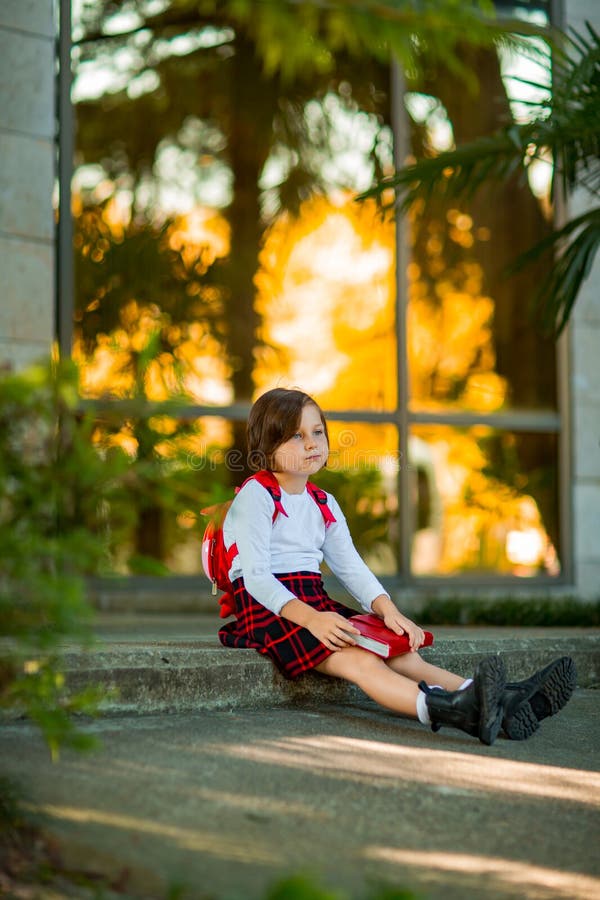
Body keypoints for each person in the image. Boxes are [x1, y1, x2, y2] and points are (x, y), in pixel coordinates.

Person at [219, 388, 576, 745]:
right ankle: (453, 709)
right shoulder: (257, 495)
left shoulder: (323, 502)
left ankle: (504, 700)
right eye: (296, 435)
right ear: (267, 447)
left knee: (403, 655)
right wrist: (312, 619)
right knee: (362, 662)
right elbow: (257, 578)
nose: (312, 443)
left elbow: (351, 567)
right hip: (270, 606)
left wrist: (388, 610)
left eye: (317, 432)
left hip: (312, 598)